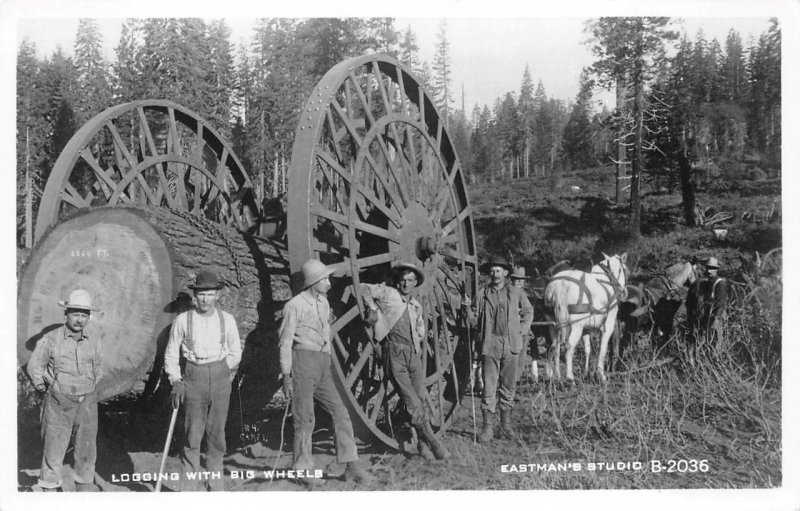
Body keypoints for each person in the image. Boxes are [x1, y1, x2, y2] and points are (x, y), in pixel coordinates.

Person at [279, 259, 374, 487]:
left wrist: (328, 358)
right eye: (325, 280)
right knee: (305, 418)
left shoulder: (323, 303)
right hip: (302, 362)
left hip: (322, 363)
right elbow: (284, 343)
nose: (329, 284)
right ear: (314, 282)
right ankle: (302, 469)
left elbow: (326, 333)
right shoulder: (294, 306)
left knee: (341, 411)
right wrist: (286, 375)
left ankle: (350, 464)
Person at [359, 262, 451, 460]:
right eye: (403, 281)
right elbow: (363, 288)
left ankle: (421, 443)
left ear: (415, 283)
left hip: (413, 355)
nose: (406, 285)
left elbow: (420, 330)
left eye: (410, 281)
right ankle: (433, 442)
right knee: (411, 401)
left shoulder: (416, 305)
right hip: (394, 353)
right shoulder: (390, 295)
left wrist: (419, 338)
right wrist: (373, 308)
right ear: (398, 282)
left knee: (419, 397)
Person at [165, 271, 242, 491]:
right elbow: (171, 354)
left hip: (220, 376)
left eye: (209, 294)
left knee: (217, 435)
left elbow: (235, 351)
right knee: (193, 434)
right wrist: (176, 380)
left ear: (217, 295)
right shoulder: (183, 320)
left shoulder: (226, 320)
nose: (205, 299)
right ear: (195, 296)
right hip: (193, 376)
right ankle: (189, 488)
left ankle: (215, 485)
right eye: (201, 295)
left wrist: (221, 369)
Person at [27, 289, 102, 492]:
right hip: (58, 404)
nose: (79, 319)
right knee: (53, 454)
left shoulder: (94, 339)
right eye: (75, 314)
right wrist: (48, 388)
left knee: (86, 455)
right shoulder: (50, 339)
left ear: (89, 317)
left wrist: (89, 389)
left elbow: (99, 368)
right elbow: (35, 368)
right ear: (66, 314)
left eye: (84, 315)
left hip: (87, 404)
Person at [463, 258, 534, 442]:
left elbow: (528, 311)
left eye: (499, 271)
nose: (495, 274)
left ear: (505, 274)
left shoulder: (516, 293)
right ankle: (488, 429)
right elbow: (474, 319)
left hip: (511, 345)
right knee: (489, 388)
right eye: (493, 271)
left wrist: (522, 331)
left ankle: (506, 426)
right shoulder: (482, 294)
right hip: (490, 344)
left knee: (508, 387)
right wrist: (467, 310)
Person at [686, 256, 729, 351]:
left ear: (716, 270)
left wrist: (716, 319)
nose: (709, 271)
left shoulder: (720, 283)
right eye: (708, 268)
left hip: (716, 317)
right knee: (702, 340)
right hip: (706, 316)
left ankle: (716, 359)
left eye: (712, 269)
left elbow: (721, 303)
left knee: (715, 342)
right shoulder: (707, 282)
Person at [508, 266, 534, 382]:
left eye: (521, 279)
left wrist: (523, 330)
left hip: (519, 332)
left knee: (519, 359)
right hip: (504, 331)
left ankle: (514, 382)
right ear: (511, 280)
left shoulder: (522, 294)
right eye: (516, 279)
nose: (519, 282)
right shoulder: (506, 291)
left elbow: (528, 311)